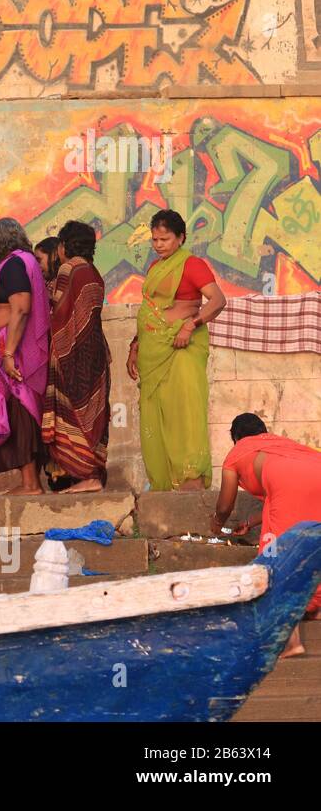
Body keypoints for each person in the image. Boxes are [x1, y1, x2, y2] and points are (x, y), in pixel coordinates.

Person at [129, 209, 227, 491]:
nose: (159, 245)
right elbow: (151, 310)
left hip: (182, 350)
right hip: (153, 351)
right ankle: (163, 487)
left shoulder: (192, 264)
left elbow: (218, 300)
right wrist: (135, 346)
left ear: (181, 238)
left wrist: (190, 326)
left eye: (166, 239)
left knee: (185, 415)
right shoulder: (154, 267)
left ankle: (191, 485)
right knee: (156, 416)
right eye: (155, 240)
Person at [213, 413, 321, 658]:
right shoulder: (282, 444)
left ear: (236, 437)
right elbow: (286, 491)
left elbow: (224, 505)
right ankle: (315, 608)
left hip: (290, 483)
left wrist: (217, 522)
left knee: (278, 558)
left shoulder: (238, 450)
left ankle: (290, 642)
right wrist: (250, 522)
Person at [0, 218, 50, 495]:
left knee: (20, 412)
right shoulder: (23, 262)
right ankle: (30, 481)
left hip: (11, 349)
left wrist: (8, 353)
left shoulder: (14, 265)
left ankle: (31, 484)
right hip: (9, 348)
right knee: (19, 412)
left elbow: (20, 307)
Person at [41, 221, 111, 492]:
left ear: (63, 246)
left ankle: (88, 477)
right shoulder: (93, 271)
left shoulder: (70, 269)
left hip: (70, 352)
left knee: (73, 411)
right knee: (93, 412)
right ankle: (92, 475)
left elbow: (59, 309)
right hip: (95, 354)